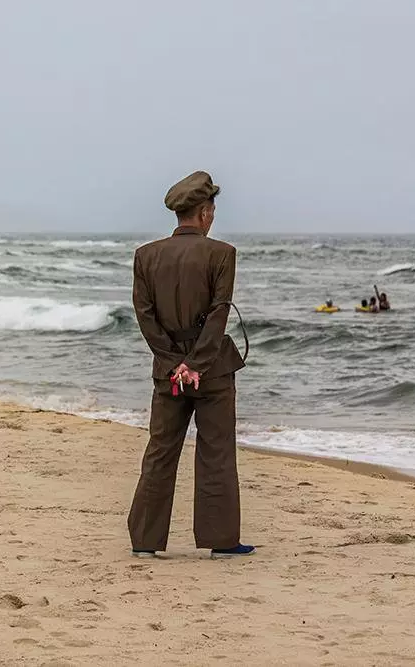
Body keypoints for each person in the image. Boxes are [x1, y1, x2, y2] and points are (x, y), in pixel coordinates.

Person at [128, 170, 253, 558]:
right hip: (212, 370)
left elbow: (145, 316)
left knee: (161, 451)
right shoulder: (222, 254)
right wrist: (196, 364)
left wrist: (172, 364)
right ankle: (221, 541)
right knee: (215, 450)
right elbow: (218, 316)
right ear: (204, 213)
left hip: (168, 373)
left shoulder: (146, 256)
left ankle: (145, 542)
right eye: (211, 209)